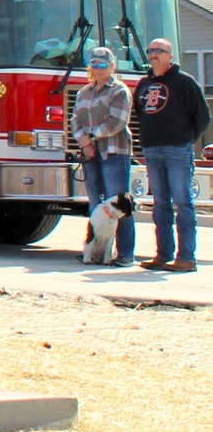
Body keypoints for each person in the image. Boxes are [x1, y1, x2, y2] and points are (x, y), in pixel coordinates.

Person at [132, 38, 207, 273]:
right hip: (152, 151)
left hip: (178, 150)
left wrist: (185, 139)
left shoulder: (185, 82)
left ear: (170, 55)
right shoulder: (144, 83)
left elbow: (203, 117)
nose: (153, 55)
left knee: (183, 203)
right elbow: (139, 114)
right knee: (160, 204)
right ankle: (163, 255)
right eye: (150, 51)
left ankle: (186, 257)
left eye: (158, 51)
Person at [71, 45, 136, 269]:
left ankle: (125, 253)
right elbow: (75, 120)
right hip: (90, 154)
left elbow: (117, 121)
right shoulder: (83, 92)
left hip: (114, 152)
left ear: (112, 66)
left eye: (103, 65)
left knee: (119, 204)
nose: (98, 69)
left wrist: (92, 137)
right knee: (95, 205)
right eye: (94, 65)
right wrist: (84, 143)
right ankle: (93, 251)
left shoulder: (119, 90)